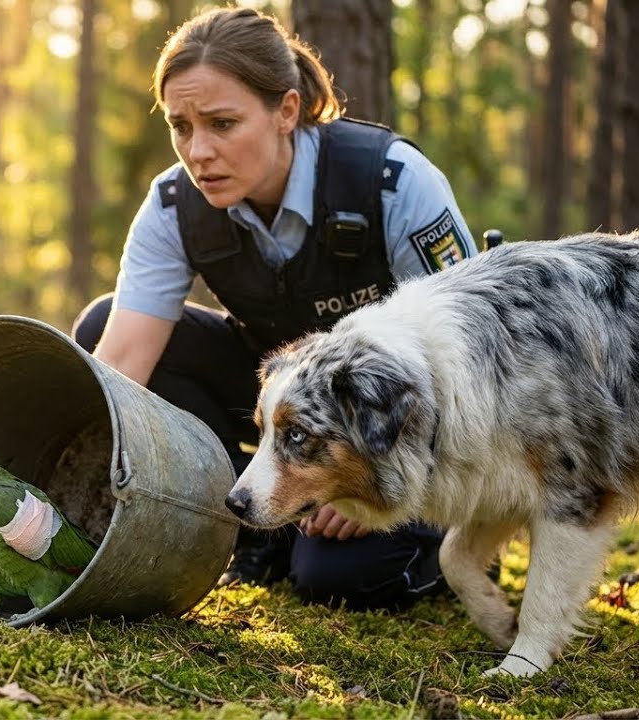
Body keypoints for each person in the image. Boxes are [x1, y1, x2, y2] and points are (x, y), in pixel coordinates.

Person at [71, 6, 479, 610]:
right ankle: (247, 527)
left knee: (335, 581)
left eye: (222, 123)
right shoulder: (172, 207)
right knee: (101, 325)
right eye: (180, 126)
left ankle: (434, 547)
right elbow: (123, 363)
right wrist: (58, 483)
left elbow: (475, 368)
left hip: (403, 429)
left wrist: (374, 479)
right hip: (275, 400)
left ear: (286, 111)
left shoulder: (390, 181)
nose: (198, 150)